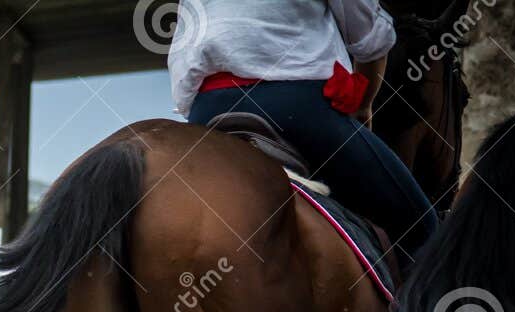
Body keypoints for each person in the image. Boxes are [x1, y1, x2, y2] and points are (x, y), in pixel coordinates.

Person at [170, 0, 437, 263]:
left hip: (209, 112)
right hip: (295, 104)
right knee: (422, 229)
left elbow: (181, 62)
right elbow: (370, 36)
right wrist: (364, 103)